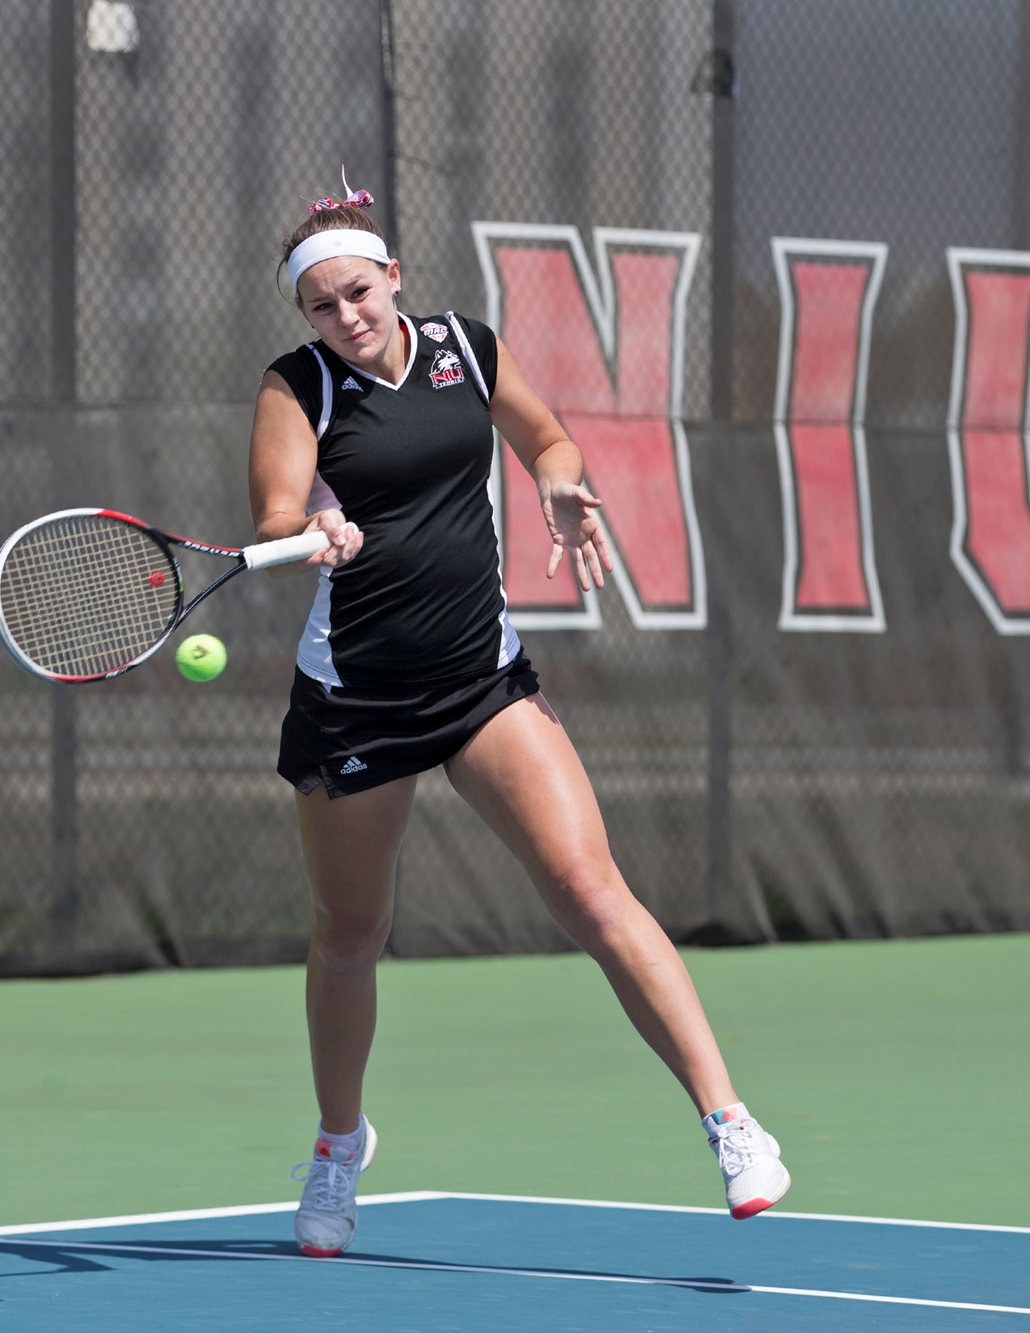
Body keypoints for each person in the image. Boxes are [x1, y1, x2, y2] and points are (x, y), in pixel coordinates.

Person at [248, 177, 789, 1259]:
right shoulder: (294, 387)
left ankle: (728, 1120)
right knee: (350, 932)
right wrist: (313, 524)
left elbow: (547, 439)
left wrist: (556, 480)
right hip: (355, 698)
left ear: (393, 278)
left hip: (479, 679)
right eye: (322, 306)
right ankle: (335, 1145)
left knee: (592, 889)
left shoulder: (463, 346)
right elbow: (274, 504)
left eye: (358, 293)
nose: (345, 318)